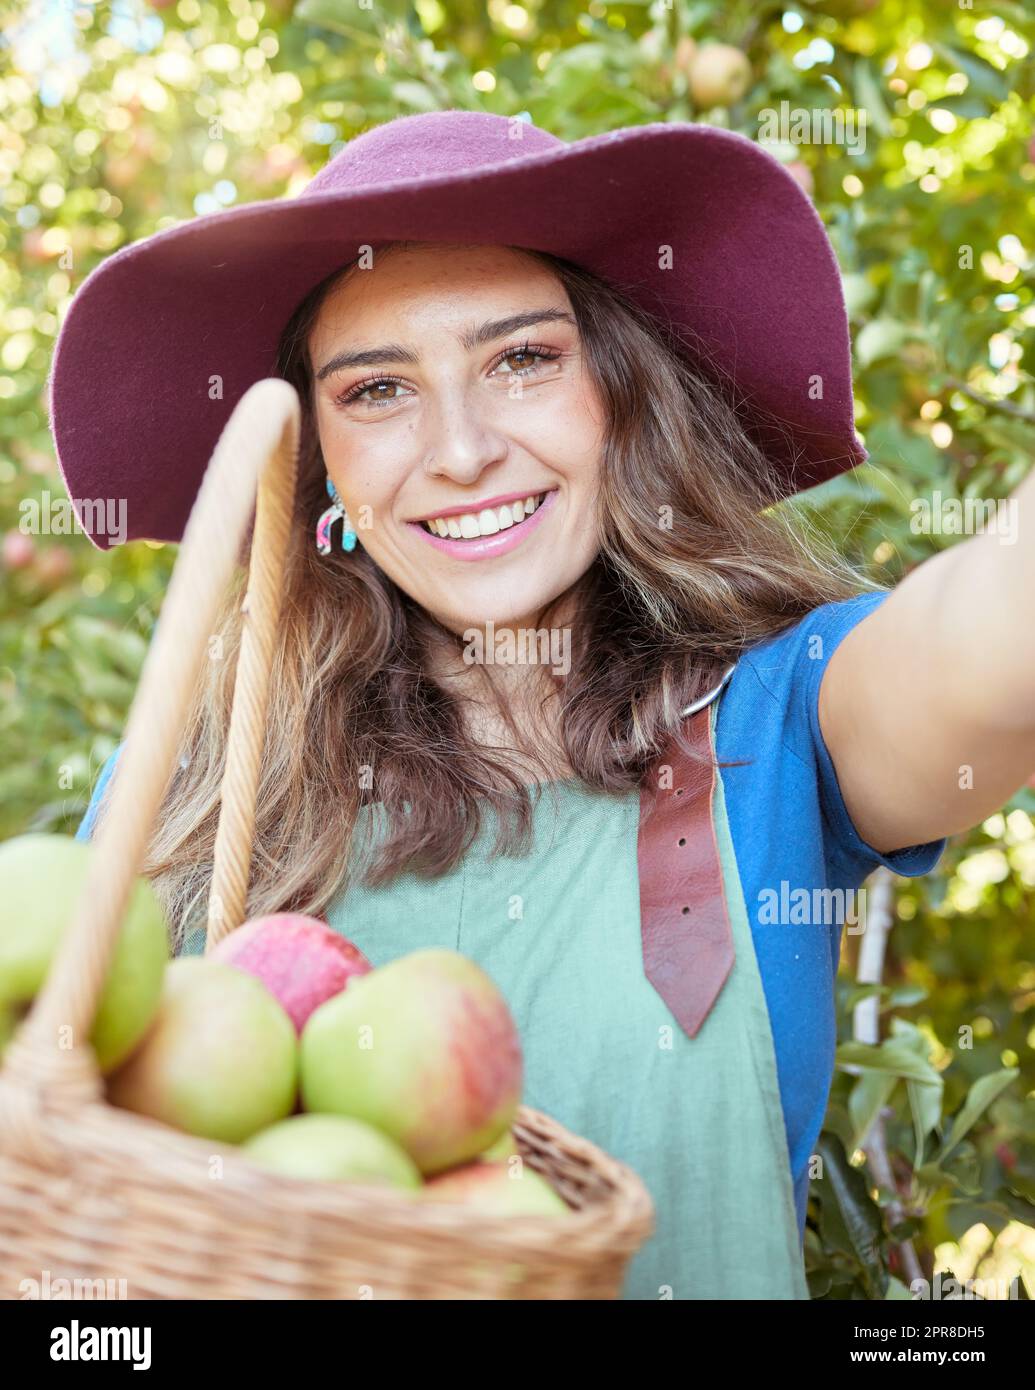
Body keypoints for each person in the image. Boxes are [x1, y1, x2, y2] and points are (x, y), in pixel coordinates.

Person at [58, 111, 1034, 1300]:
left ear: (619, 395)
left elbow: (992, 634)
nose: (461, 450)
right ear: (320, 464)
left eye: (522, 359)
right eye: (376, 390)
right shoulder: (208, 777)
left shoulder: (775, 716)